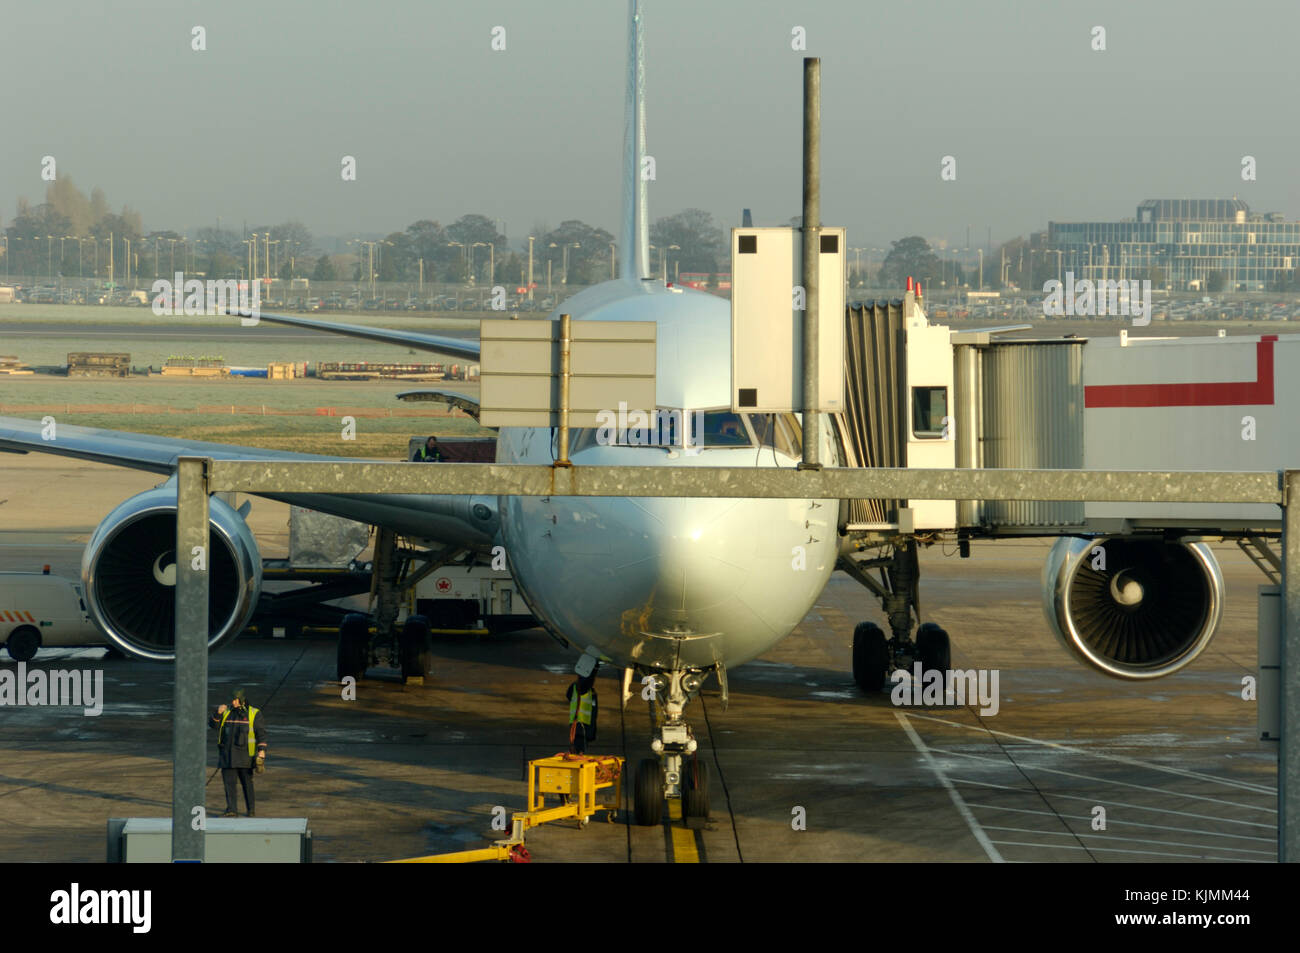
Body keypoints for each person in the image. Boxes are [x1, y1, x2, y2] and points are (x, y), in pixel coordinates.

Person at [210, 688, 267, 817]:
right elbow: (213, 726)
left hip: (245, 756)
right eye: (232, 699)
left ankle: (251, 810)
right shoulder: (226, 712)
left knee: (247, 784)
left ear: (242, 700)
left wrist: (262, 751)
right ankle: (231, 810)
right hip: (227, 756)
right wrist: (217, 713)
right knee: (229, 785)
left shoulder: (254, 713)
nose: (233, 702)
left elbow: (261, 734)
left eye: (235, 699)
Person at [565, 658, 598, 754]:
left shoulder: (579, 688)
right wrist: (594, 667)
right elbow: (589, 679)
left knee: (578, 749)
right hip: (580, 725)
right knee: (579, 751)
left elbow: (568, 695)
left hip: (581, 726)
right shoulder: (582, 688)